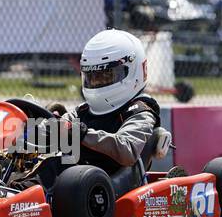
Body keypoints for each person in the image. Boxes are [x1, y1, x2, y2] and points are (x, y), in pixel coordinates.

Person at [50, 29, 163, 194]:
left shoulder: (140, 111)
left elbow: (127, 150)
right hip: (73, 179)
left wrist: (81, 134)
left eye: (105, 76)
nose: (97, 82)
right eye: (93, 77)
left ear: (134, 70)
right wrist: (44, 126)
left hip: (105, 186)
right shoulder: (83, 111)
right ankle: (6, 184)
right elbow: (64, 127)